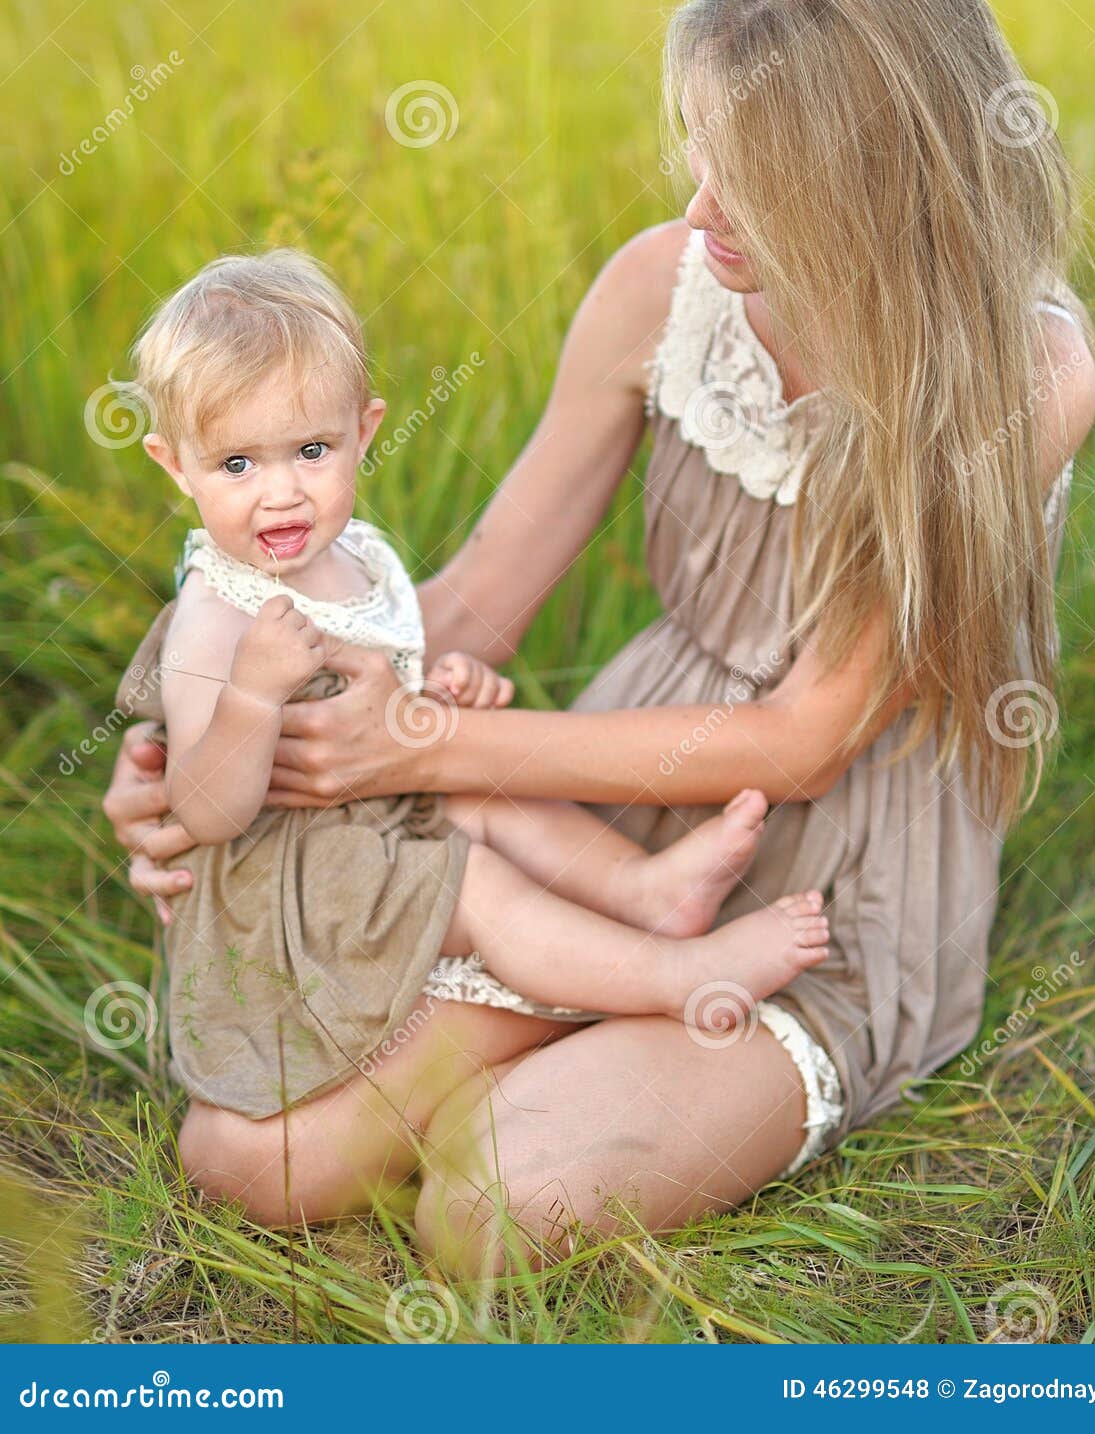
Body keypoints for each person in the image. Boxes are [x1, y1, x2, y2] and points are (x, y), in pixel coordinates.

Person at [103, 0, 1095, 1273]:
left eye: (748, 180)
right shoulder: (662, 289)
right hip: (603, 805)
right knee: (252, 1161)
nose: (698, 209)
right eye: (699, 151)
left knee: (489, 1208)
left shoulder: (1020, 375)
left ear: (875, 183)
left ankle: (611, 1030)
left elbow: (809, 732)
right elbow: (458, 613)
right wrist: (208, 741)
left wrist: (429, 744)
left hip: (840, 871)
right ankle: (594, 983)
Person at [114, 248, 830, 1121]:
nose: (281, 495)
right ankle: (673, 976)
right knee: (476, 880)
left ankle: (644, 892)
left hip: (368, 817)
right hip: (294, 881)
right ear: (173, 464)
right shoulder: (216, 616)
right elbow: (207, 812)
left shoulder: (351, 557)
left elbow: (385, 686)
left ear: (365, 431)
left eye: (310, 450)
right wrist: (249, 700)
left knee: (483, 786)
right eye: (236, 465)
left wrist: (443, 691)